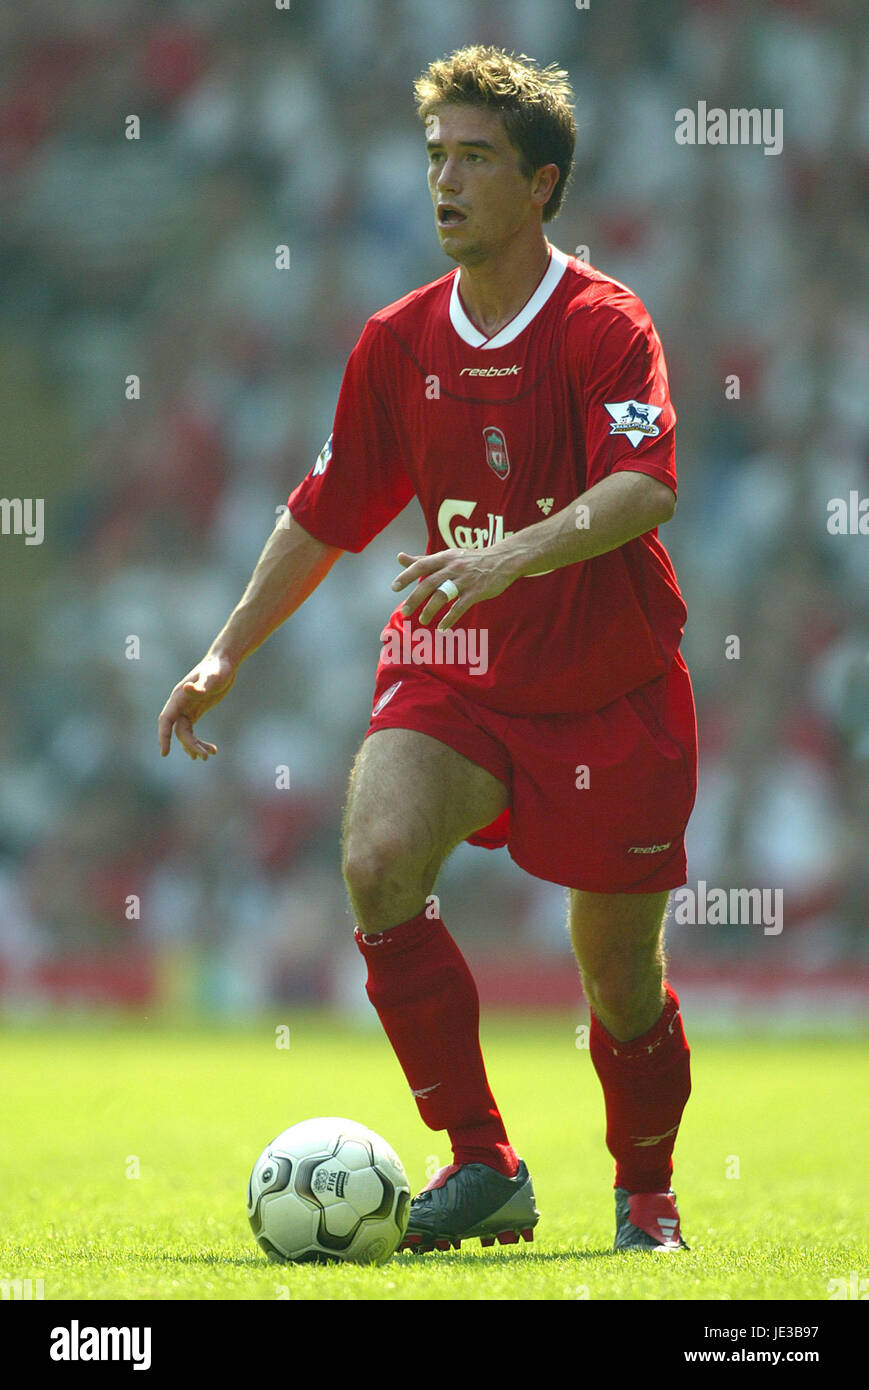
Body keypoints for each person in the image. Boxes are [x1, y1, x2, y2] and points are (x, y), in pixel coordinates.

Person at [158, 45, 697, 1255]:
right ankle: (480, 1159)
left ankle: (646, 1193)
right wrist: (224, 651)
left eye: (475, 160)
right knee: (378, 857)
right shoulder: (396, 342)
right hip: (454, 668)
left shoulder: (605, 325)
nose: (443, 182)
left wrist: (513, 553)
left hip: (610, 687)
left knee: (618, 978)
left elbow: (645, 488)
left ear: (541, 185)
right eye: (434, 158)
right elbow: (325, 509)